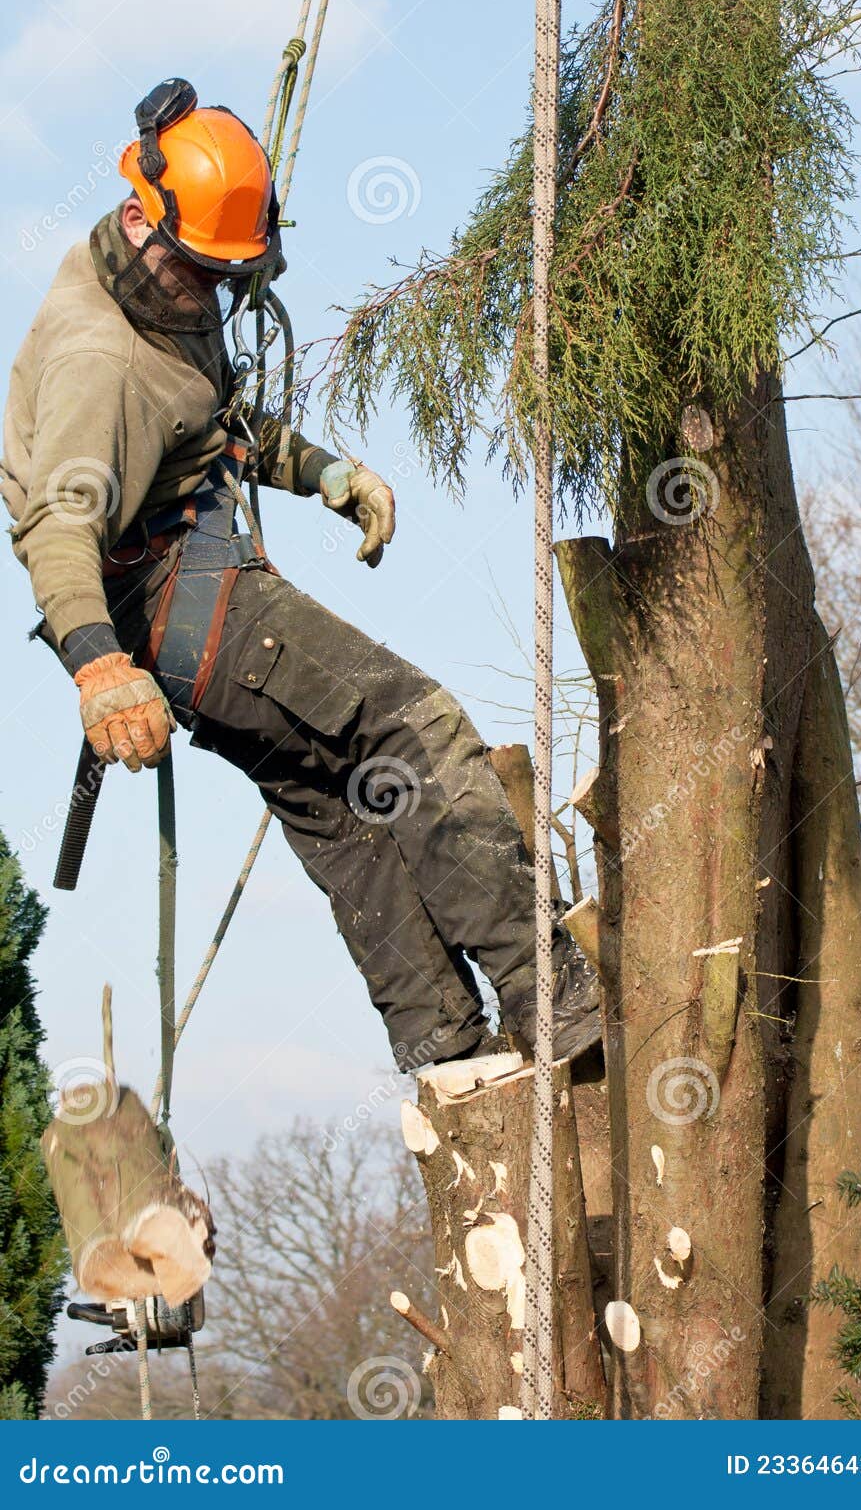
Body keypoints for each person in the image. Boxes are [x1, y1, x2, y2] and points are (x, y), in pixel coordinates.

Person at [1, 80, 601, 1075]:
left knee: (342, 804)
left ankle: (449, 1051)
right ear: (145, 224)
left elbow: (216, 421)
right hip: (180, 607)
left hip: (191, 604)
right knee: (411, 724)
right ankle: (560, 1002)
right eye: (203, 278)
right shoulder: (99, 357)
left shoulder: (164, 288)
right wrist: (96, 667)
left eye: (229, 280)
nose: (215, 299)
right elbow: (57, 526)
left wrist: (329, 474)